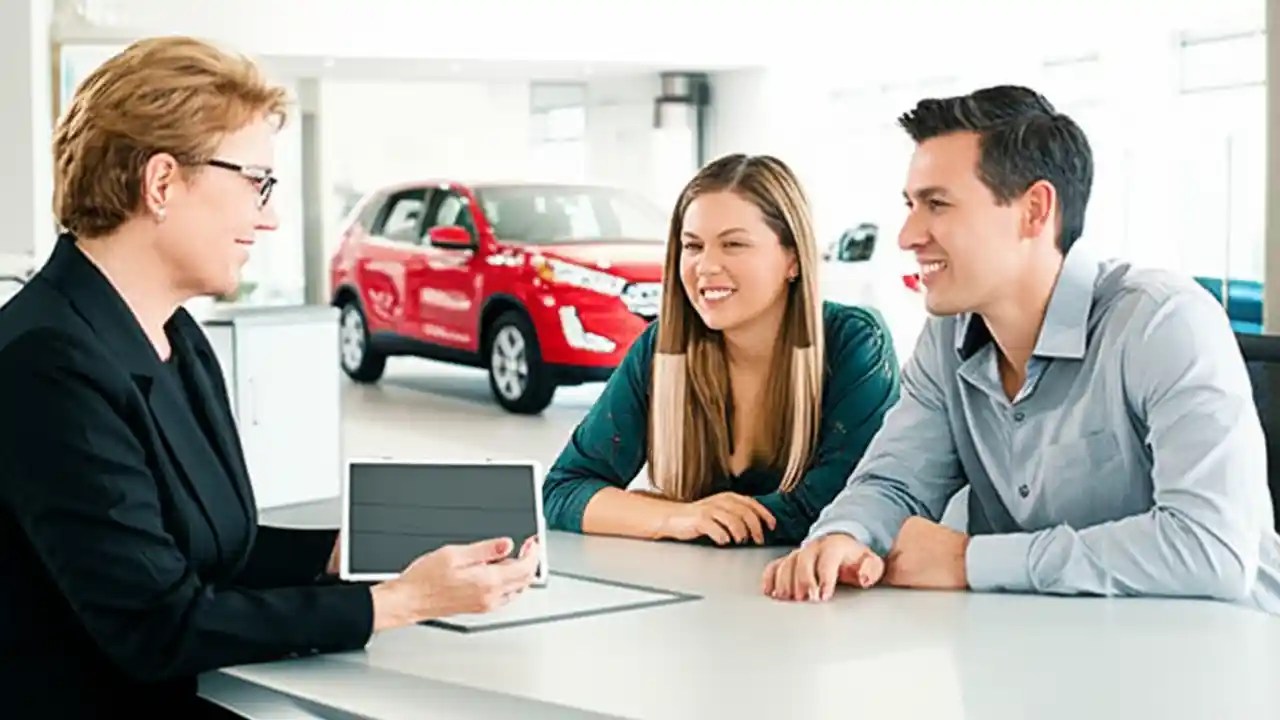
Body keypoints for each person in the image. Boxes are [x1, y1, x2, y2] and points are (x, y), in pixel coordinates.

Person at [0, 37, 539, 717]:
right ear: (161, 182)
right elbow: (157, 625)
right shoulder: (45, 361)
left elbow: (211, 552)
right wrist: (400, 603)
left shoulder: (174, 335)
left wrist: (351, 553)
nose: (271, 214)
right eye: (256, 181)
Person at [762, 85, 1280, 615]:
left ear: (1034, 210)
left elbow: (1211, 547)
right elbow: (894, 482)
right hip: (1047, 657)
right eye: (911, 205)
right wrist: (844, 537)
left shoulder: (1164, 323)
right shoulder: (948, 336)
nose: (908, 235)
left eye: (937, 204)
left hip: (1225, 662)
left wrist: (971, 561)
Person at [541, 154, 901, 546]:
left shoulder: (854, 342)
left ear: (793, 258)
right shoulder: (664, 348)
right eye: (692, 246)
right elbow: (563, 491)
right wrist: (675, 516)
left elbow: (831, 509)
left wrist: (646, 511)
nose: (706, 266)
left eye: (734, 245)